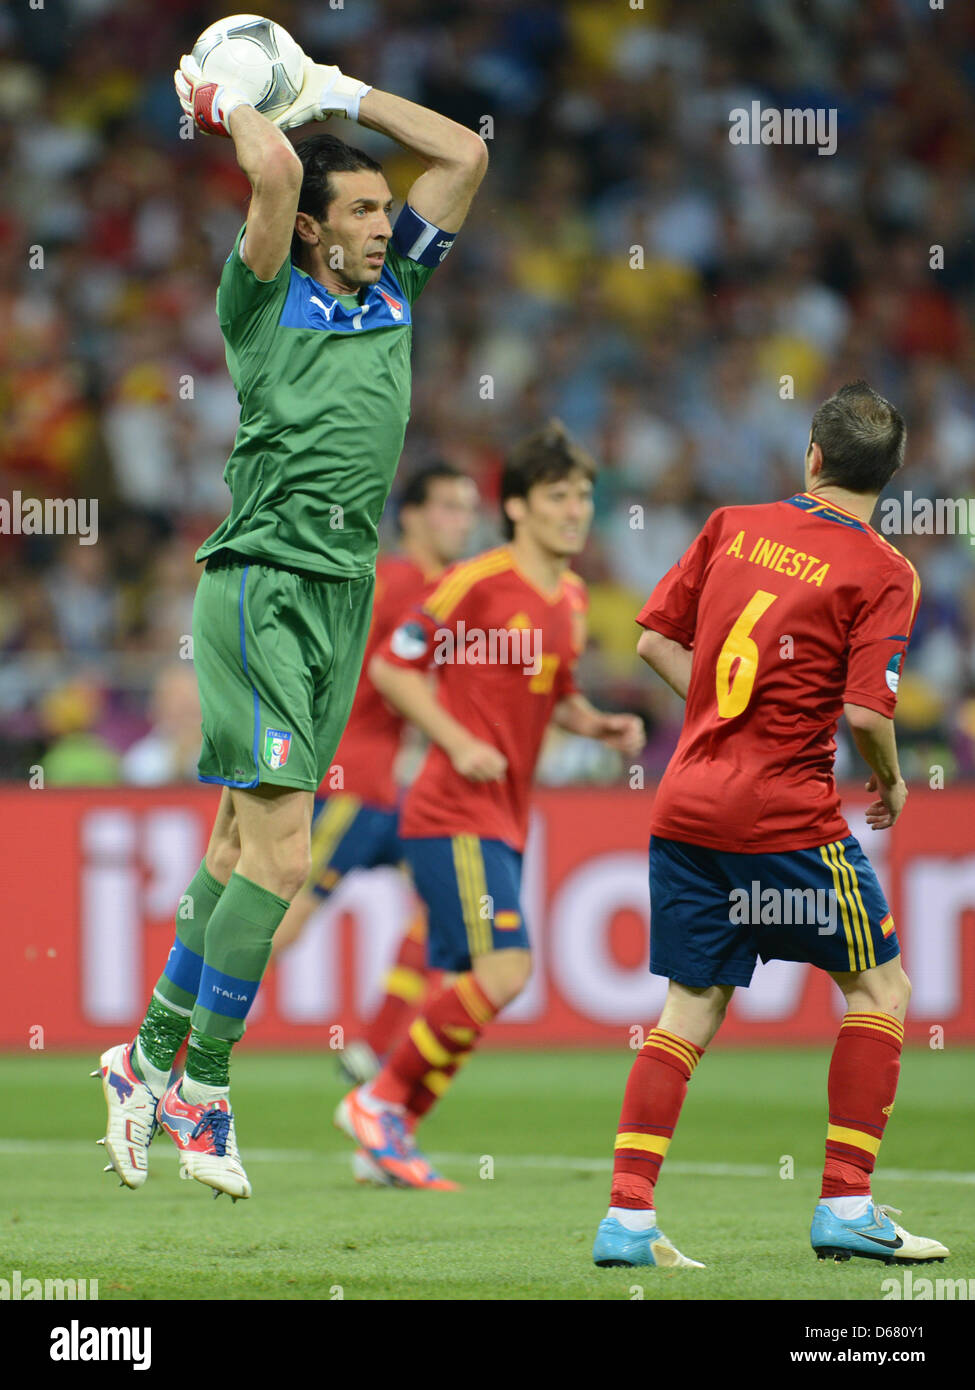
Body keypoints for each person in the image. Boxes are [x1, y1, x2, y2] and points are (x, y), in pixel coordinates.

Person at [94, 38, 488, 1201]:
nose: (385, 222)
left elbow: (463, 151)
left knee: (232, 850)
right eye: (362, 209)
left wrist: (336, 93)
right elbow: (270, 179)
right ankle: (203, 1089)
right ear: (315, 229)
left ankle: (142, 1058)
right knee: (282, 856)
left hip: (340, 598)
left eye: (385, 207)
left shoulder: (398, 287)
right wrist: (233, 104)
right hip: (262, 584)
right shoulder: (262, 295)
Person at [591, 381, 949, 1269]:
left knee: (688, 1006)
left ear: (812, 458)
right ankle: (846, 1204)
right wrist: (892, 784)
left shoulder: (731, 525)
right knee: (879, 991)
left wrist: (721, 714)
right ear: (890, 479)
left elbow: (650, 643)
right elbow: (868, 717)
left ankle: (626, 1219)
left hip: (685, 806)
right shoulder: (884, 570)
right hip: (784, 817)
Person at [333, 421, 646, 1188]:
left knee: (460, 989)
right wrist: (455, 740)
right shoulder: (477, 582)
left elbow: (552, 690)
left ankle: (388, 1134)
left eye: (582, 497)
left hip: (505, 817)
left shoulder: (570, 597)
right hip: (450, 809)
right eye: (557, 497)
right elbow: (392, 667)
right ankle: (377, 1102)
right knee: (505, 972)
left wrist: (592, 721)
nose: (574, 511)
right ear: (516, 507)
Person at [270, 463, 478, 1087]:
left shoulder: (446, 588)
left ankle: (374, 1047)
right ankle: (176, 1049)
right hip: (356, 777)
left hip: (405, 788)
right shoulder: (395, 583)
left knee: (449, 909)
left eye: (468, 507)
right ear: (410, 515)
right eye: (447, 505)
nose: (460, 520)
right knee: (288, 912)